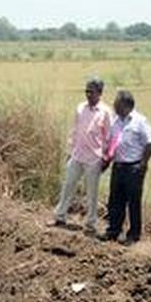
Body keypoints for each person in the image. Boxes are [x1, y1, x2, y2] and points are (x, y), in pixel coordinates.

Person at [50, 77, 112, 234]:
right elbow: (75, 131)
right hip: (77, 154)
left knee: (92, 193)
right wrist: (70, 152)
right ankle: (60, 215)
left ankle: (91, 224)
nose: (88, 94)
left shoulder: (105, 112)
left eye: (91, 92)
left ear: (100, 93)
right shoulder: (80, 108)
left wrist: (106, 158)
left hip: (94, 158)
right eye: (87, 91)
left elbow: (109, 137)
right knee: (68, 185)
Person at [101, 90, 151, 244]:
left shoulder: (140, 121)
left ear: (126, 105)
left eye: (116, 104)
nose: (114, 107)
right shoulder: (116, 121)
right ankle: (113, 230)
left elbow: (150, 143)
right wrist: (107, 160)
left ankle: (133, 235)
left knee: (133, 202)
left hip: (133, 167)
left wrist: (143, 164)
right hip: (118, 166)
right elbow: (112, 143)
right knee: (115, 201)